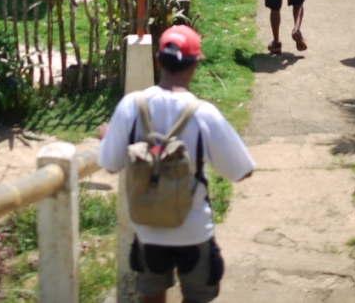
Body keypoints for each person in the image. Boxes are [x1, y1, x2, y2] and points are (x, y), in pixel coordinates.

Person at [98, 26, 254, 303]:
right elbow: (241, 170)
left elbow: (110, 164)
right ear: (195, 64)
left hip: (148, 229)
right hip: (193, 230)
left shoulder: (131, 106)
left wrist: (107, 138)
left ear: (159, 61)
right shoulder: (203, 114)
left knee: (151, 295)